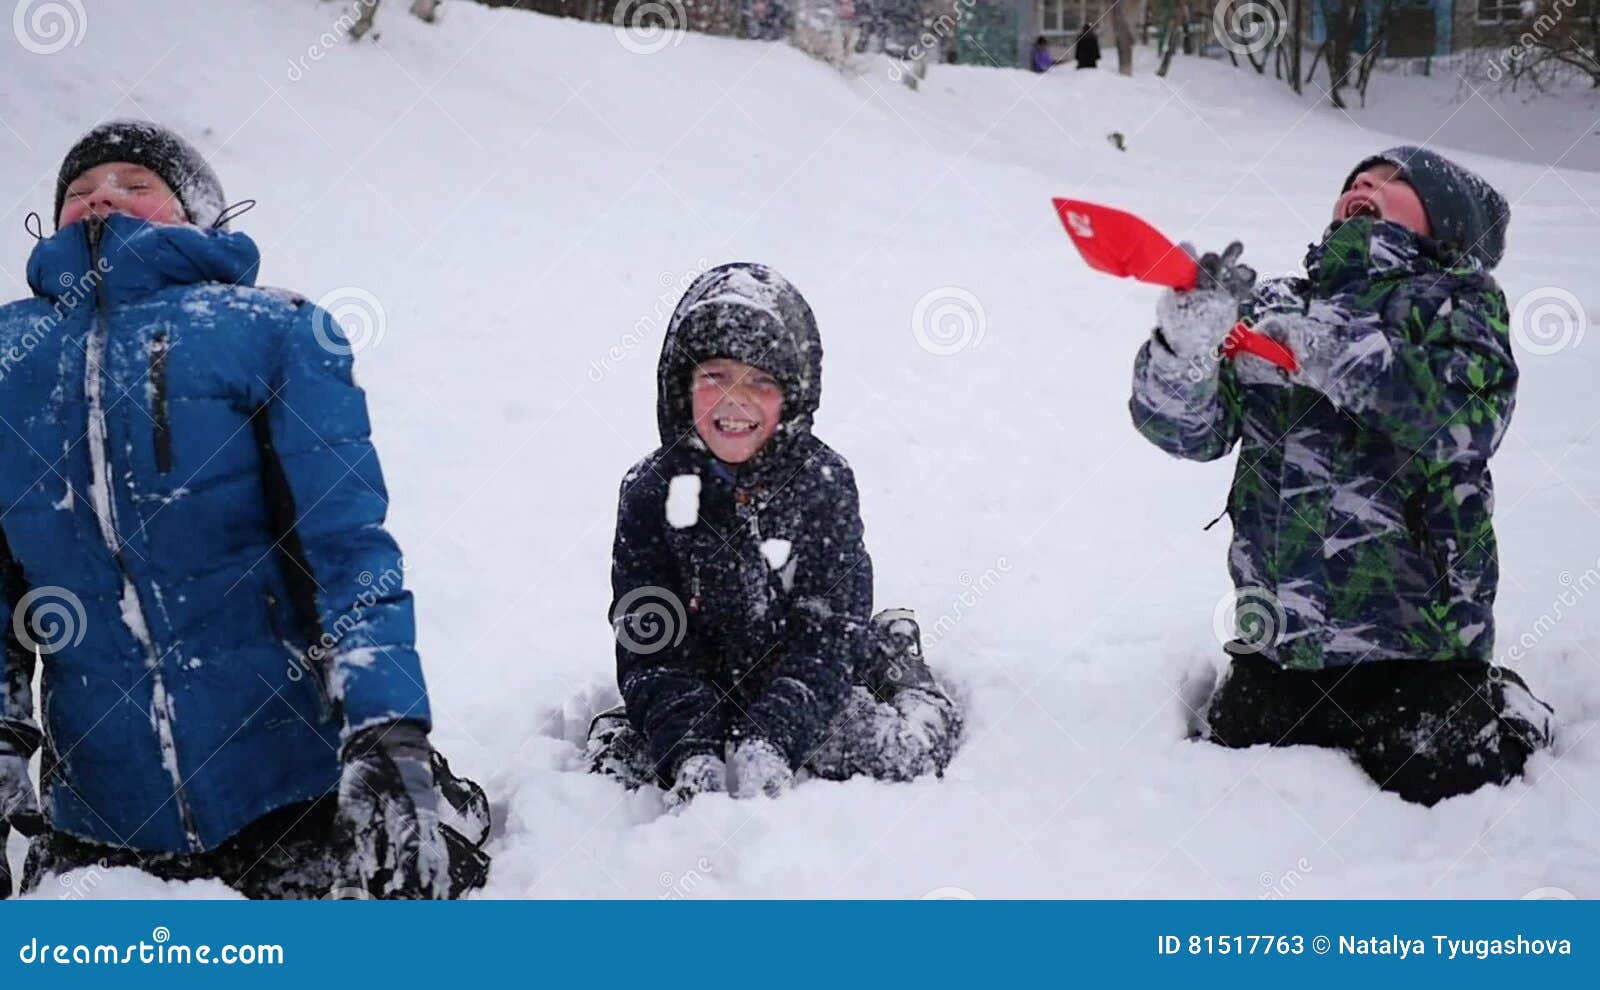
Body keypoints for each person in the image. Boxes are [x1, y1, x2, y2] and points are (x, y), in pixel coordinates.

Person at [0, 120, 489, 899]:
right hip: (98, 811)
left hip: (289, 788)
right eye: (81, 191)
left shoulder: (272, 329)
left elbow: (347, 546)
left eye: (134, 185)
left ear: (196, 215)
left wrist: (386, 730)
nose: (102, 200)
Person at [1128, 146, 1553, 806]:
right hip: (1283, 644)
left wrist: (1328, 354)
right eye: (1358, 178)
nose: (1367, 184)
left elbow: (1465, 421)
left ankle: (1509, 708)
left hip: (1421, 649)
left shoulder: (1457, 304)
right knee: (1236, 775)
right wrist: (1184, 351)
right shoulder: (1272, 304)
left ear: (1446, 223)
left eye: (1394, 182)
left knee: (1446, 786)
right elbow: (1191, 432)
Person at [587, 263, 962, 803]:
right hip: (704, 686)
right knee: (613, 767)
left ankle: (895, 653)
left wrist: (774, 736)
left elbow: (829, 637)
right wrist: (690, 745)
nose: (735, 402)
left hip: (801, 684)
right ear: (681, 388)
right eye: (715, 377)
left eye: (760, 383)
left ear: (791, 397)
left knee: (905, 751)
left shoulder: (822, 484)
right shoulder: (651, 493)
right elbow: (650, 648)